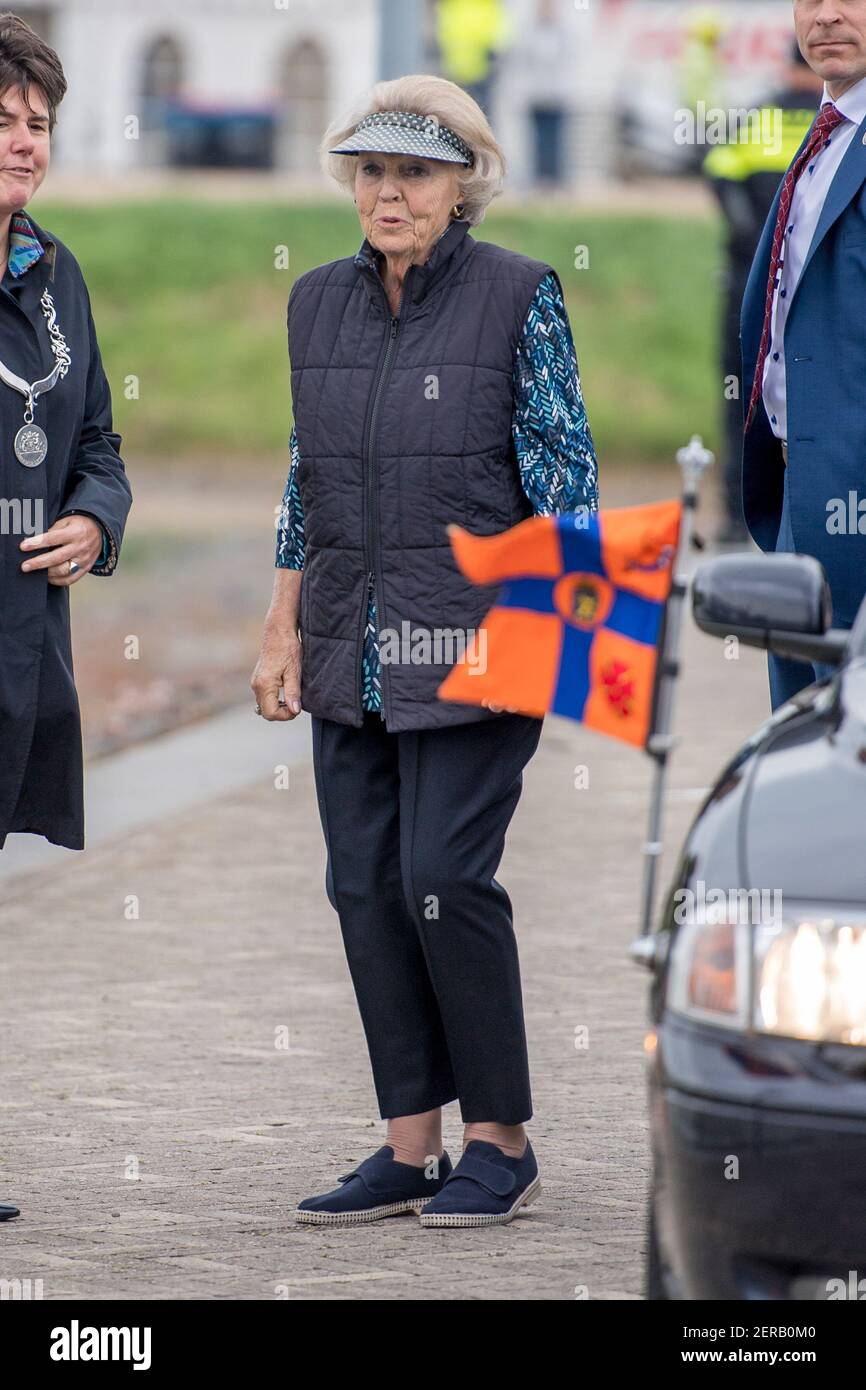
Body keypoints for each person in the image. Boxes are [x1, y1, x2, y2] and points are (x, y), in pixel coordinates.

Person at [251, 74, 597, 1228]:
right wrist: (281, 623)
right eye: (370, 169)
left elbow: (564, 489)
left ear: (464, 186)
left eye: (412, 171)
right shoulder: (315, 303)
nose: (386, 191)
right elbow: (307, 476)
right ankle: (409, 1147)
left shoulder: (518, 298)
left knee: (440, 877)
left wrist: (568, 645)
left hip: (480, 642)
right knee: (362, 886)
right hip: (347, 637)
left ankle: (498, 1139)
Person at [0, 15, 132, 1221]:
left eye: (37, 121)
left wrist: (93, 520)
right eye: (1, 117)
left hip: (19, 659)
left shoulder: (56, 275)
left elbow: (98, 442)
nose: (23, 139)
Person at [741, 1, 866, 709]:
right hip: (799, 487)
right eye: (809, 0)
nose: (826, 16)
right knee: (800, 743)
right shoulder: (827, 134)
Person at [703, 42, 822, 543]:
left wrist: (751, 241)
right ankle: (817, 513)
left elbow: (718, 175)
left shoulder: (757, 117)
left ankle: (736, 514)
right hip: (816, 287)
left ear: (783, 66)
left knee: (741, 398)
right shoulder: (837, 123)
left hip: (750, 285)